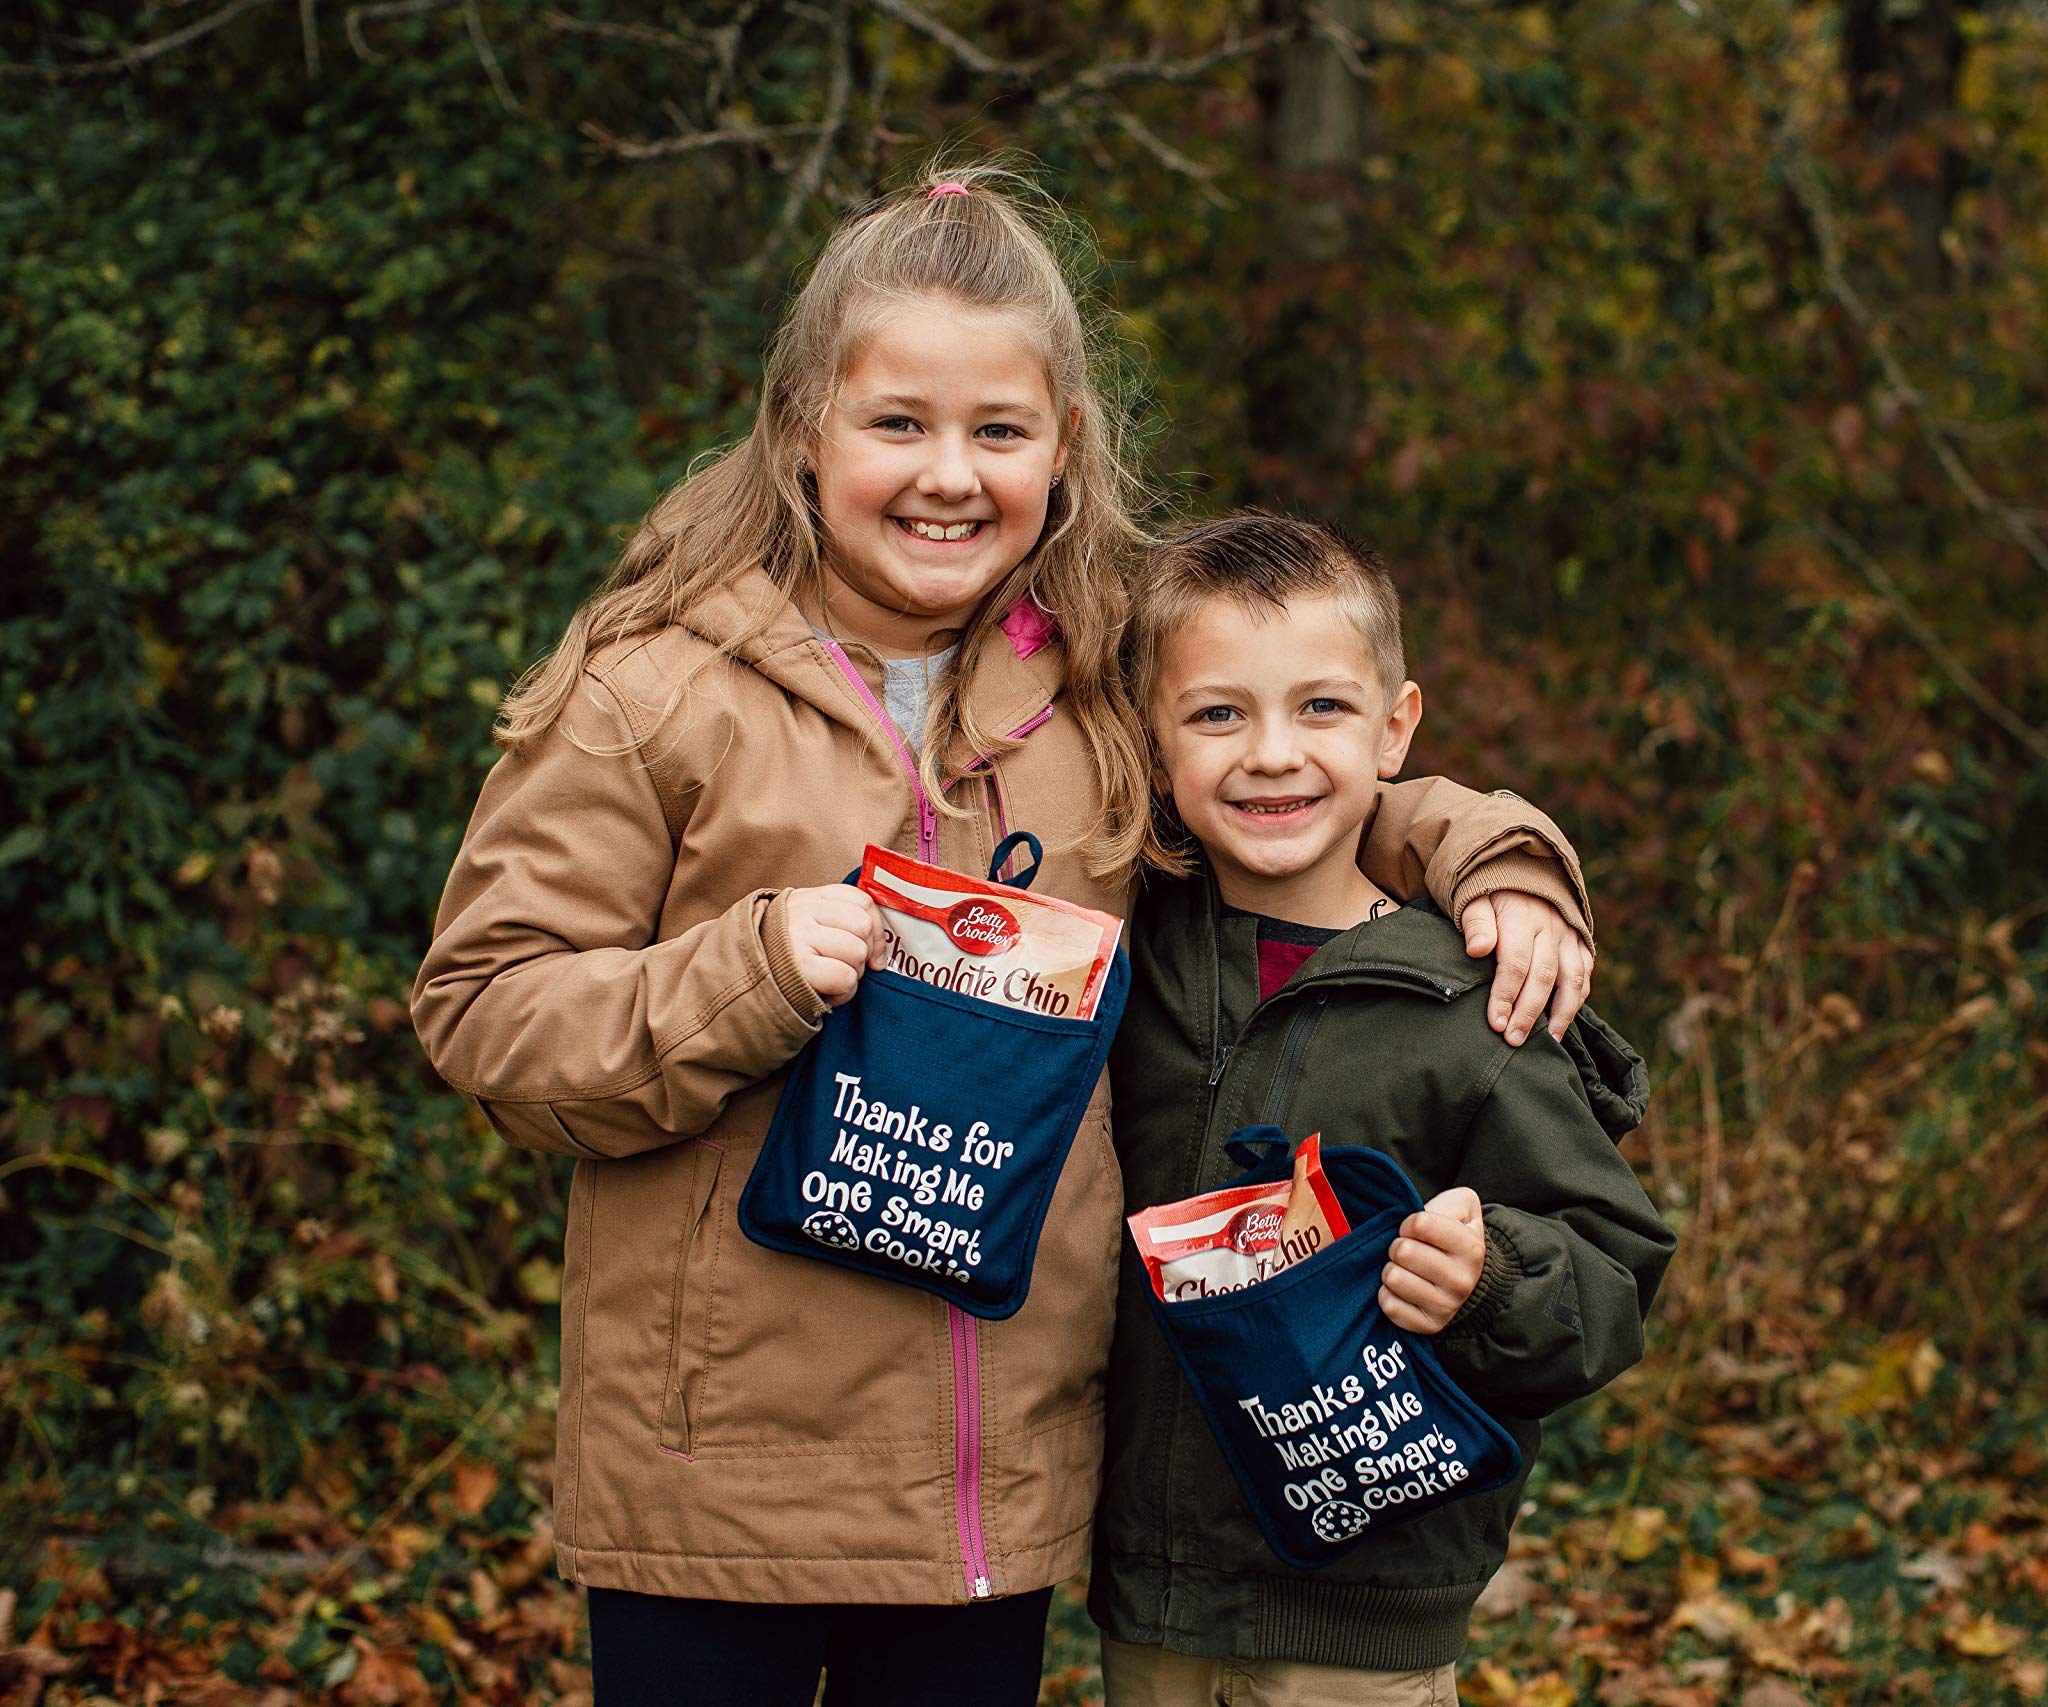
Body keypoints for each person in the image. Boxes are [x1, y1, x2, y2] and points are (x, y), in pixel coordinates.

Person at [409, 165, 1596, 1707]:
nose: (946, 474)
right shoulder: (653, 692)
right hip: (715, 1487)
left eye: (999, 430)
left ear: (1066, 449)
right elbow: (486, 1010)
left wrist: (1491, 846)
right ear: (801, 433)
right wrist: (752, 967)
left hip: (993, 1494)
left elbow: (1294, 779)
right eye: (897, 422)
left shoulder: (1100, 683)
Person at [1095, 511, 1675, 1706]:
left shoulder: (1474, 1003)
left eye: (1321, 708)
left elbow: (1612, 1271)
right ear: (1150, 742)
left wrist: (1497, 1280)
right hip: (1152, 1596)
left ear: (1394, 728)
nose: (1270, 754)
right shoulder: (1128, 952)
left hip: (1363, 1622)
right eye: (1216, 713)